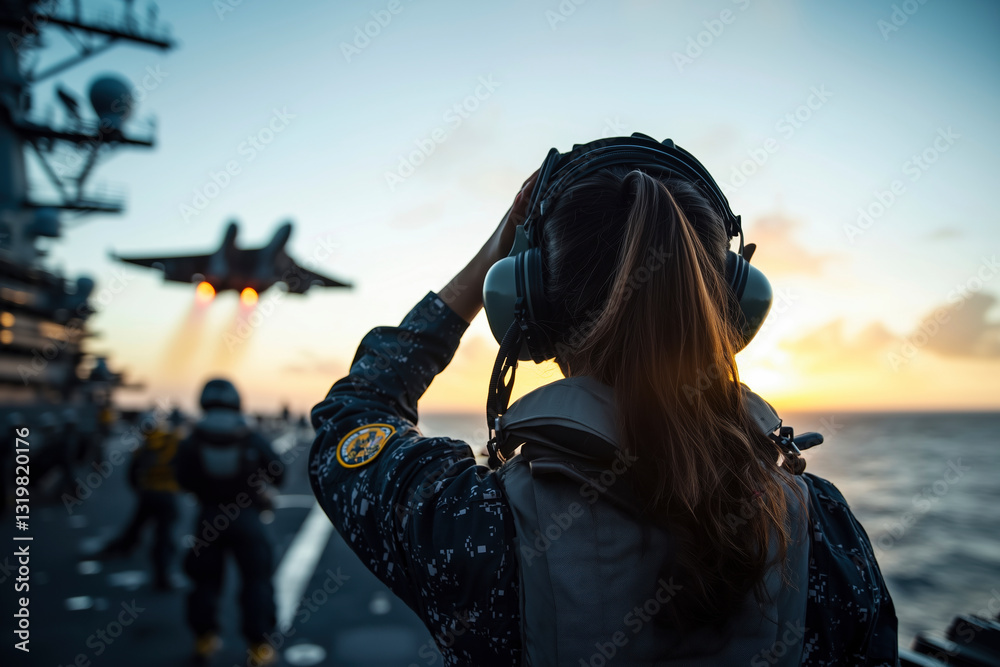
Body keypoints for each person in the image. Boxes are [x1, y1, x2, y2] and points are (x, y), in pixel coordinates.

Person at [309, 134, 897, 665]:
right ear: (735, 308)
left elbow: (353, 415)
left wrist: (491, 254)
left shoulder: (470, 525)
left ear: (527, 303)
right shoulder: (824, 531)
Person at [175, 378, 284, 666]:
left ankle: (205, 640)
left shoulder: (194, 436)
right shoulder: (249, 433)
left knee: (204, 582)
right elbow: (279, 471)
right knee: (257, 582)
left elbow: (182, 479)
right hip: (247, 517)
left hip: (208, 518)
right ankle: (259, 647)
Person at [98, 408, 184, 591]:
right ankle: (162, 576)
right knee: (164, 536)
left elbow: (132, 475)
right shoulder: (173, 440)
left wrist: (141, 490)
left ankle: (124, 548)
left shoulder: (143, 446)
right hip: (168, 495)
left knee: (137, 526)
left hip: (149, 494)